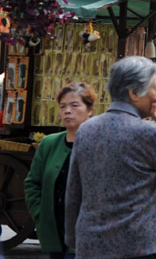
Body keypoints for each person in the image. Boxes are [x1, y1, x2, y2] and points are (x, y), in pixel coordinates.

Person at [66, 57, 156, 259]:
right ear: (134, 93)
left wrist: (74, 238)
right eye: (155, 89)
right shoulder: (149, 133)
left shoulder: (86, 130)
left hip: (91, 244)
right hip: (139, 246)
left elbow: (74, 192)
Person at [25, 82, 96, 259]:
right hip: (54, 229)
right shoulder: (49, 144)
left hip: (87, 234)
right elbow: (32, 183)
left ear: (89, 110)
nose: (67, 111)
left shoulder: (99, 144)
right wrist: (40, 214)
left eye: (74, 105)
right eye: (63, 106)